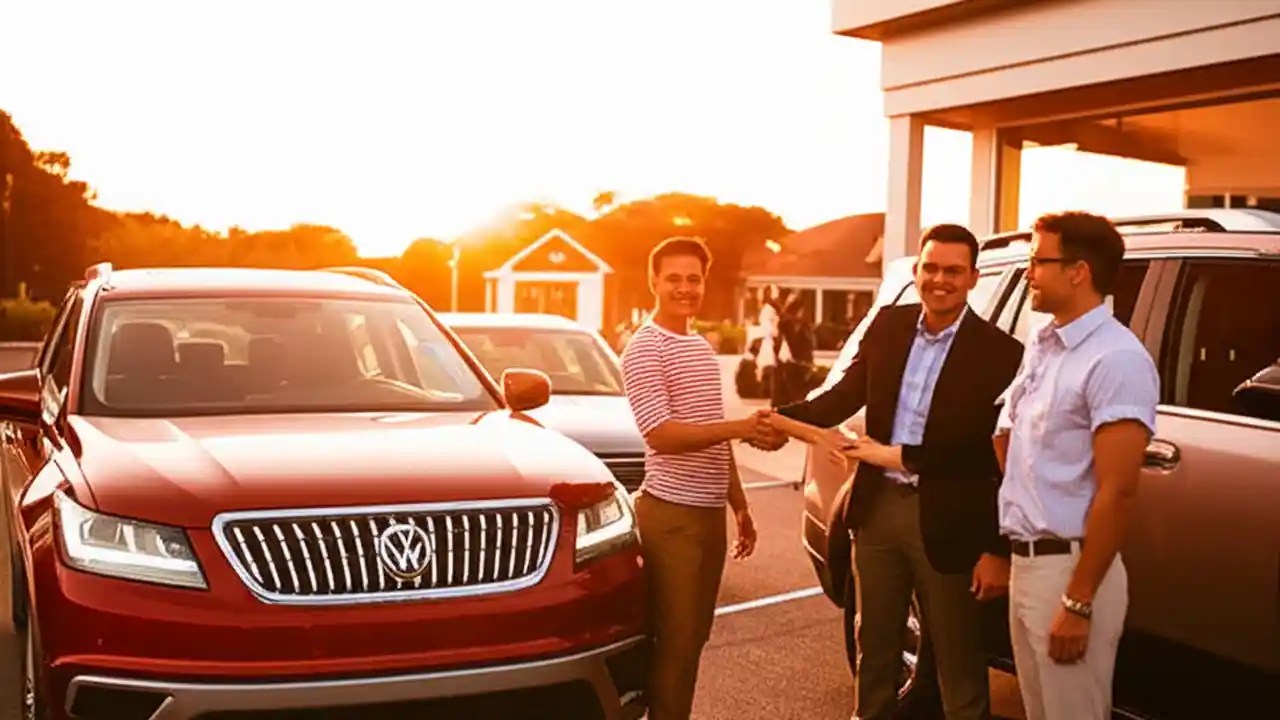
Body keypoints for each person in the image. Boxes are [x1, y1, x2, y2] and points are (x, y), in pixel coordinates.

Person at [759, 224, 1025, 720]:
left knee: (959, 663)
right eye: (930, 268)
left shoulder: (1001, 354)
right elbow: (841, 397)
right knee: (874, 647)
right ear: (918, 270)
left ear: (972, 277)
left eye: (952, 271)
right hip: (876, 513)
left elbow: (990, 458)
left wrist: (996, 547)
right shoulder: (888, 326)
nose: (939, 279)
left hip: (948, 524)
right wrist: (780, 417)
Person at [993, 212, 1159, 720]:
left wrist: (1079, 601)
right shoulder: (1044, 345)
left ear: (1078, 271)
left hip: (1071, 571)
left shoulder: (1115, 359)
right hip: (1028, 565)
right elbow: (1007, 438)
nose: (1028, 273)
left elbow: (1119, 492)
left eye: (1038, 261)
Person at [619, 236, 773, 720]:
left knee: (694, 640)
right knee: (677, 643)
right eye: (674, 279)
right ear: (654, 281)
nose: (685, 288)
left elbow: (711, 432)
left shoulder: (700, 347)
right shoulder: (644, 348)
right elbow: (661, 435)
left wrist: (740, 504)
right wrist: (742, 426)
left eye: (694, 279)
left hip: (708, 516)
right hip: (670, 516)